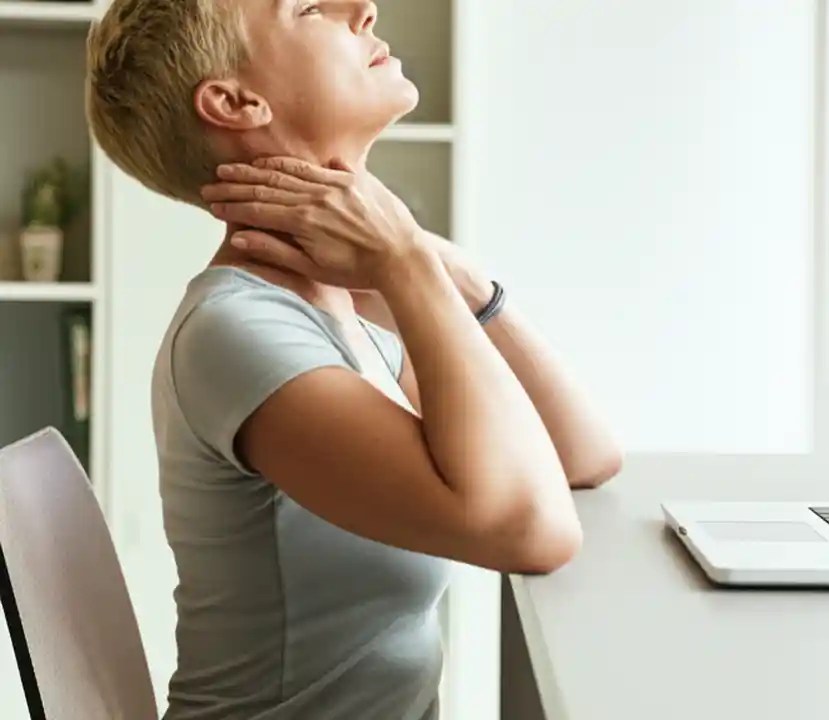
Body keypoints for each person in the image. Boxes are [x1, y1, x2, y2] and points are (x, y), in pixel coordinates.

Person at [86, 1, 623, 718]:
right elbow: (532, 532)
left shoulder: (346, 302)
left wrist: (454, 278)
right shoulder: (237, 332)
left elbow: (581, 458)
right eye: (309, 7)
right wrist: (405, 260)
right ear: (235, 102)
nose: (362, 8)